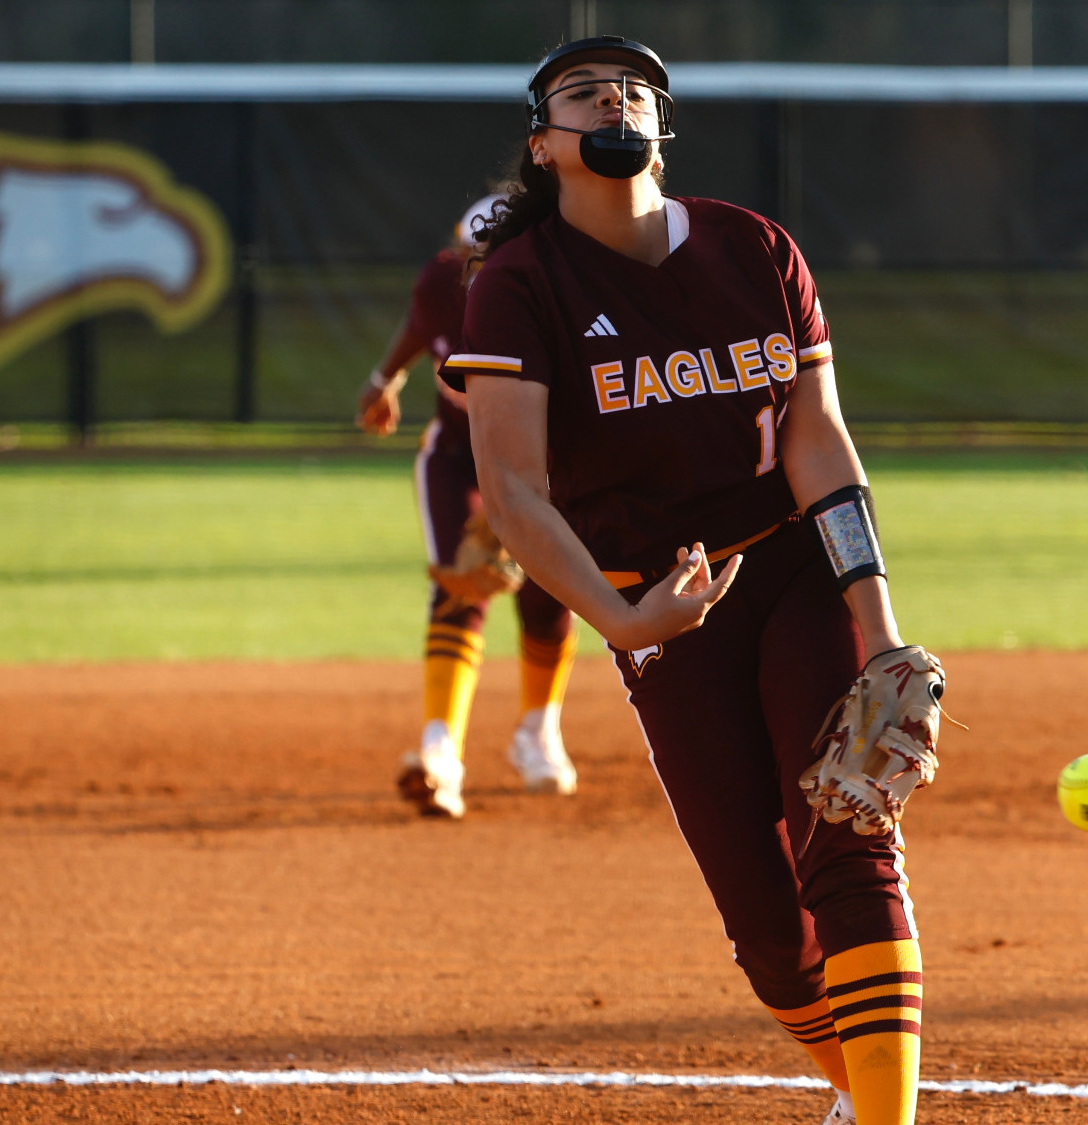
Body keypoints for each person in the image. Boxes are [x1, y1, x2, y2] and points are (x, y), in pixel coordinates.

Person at [442, 36, 946, 1125]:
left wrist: (878, 619)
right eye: (583, 92)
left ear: (660, 128)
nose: (615, 97)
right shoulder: (519, 287)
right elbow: (514, 491)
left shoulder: (753, 247)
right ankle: (855, 1090)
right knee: (766, 932)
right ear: (544, 146)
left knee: (849, 838)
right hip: (662, 608)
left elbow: (817, 440)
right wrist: (624, 619)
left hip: (793, 572)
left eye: (632, 89)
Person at [355, 195, 580, 818]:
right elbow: (421, 322)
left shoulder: (572, 295)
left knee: (549, 590)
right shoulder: (444, 282)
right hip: (458, 458)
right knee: (462, 583)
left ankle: (537, 731)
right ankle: (440, 750)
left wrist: (525, 503)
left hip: (548, 464)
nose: (475, 267)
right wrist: (384, 380)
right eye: (469, 254)